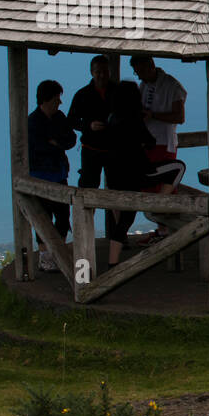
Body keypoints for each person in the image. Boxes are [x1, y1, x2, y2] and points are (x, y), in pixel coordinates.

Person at [102, 81, 185, 266]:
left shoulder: (111, 119)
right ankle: (159, 204)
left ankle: (112, 264)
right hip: (139, 175)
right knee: (178, 167)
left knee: (125, 220)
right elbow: (150, 142)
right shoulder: (134, 119)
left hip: (115, 179)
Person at [130, 55, 187, 239]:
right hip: (147, 142)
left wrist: (153, 115)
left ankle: (168, 229)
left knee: (164, 184)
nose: (139, 77)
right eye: (136, 73)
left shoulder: (172, 86)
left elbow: (179, 117)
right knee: (151, 186)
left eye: (141, 72)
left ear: (150, 66)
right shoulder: (144, 85)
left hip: (164, 142)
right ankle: (163, 229)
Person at [26, 79, 76, 273]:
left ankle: (58, 252)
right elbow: (39, 148)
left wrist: (56, 143)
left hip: (59, 174)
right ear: (46, 100)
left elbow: (71, 139)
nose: (59, 103)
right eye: (56, 99)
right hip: (40, 177)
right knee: (43, 216)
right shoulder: (33, 122)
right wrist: (56, 144)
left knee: (63, 215)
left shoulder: (59, 118)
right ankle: (45, 256)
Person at [67, 55, 115, 190]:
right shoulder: (82, 94)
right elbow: (71, 120)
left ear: (110, 72)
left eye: (105, 71)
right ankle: (88, 212)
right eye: (98, 72)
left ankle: (114, 212)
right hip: (90, 149)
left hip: (114, 148)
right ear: (91, 72)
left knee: (116, 187)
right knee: (88, 187)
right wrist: (88, 126)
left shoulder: (119, 92)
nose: (102, 75)